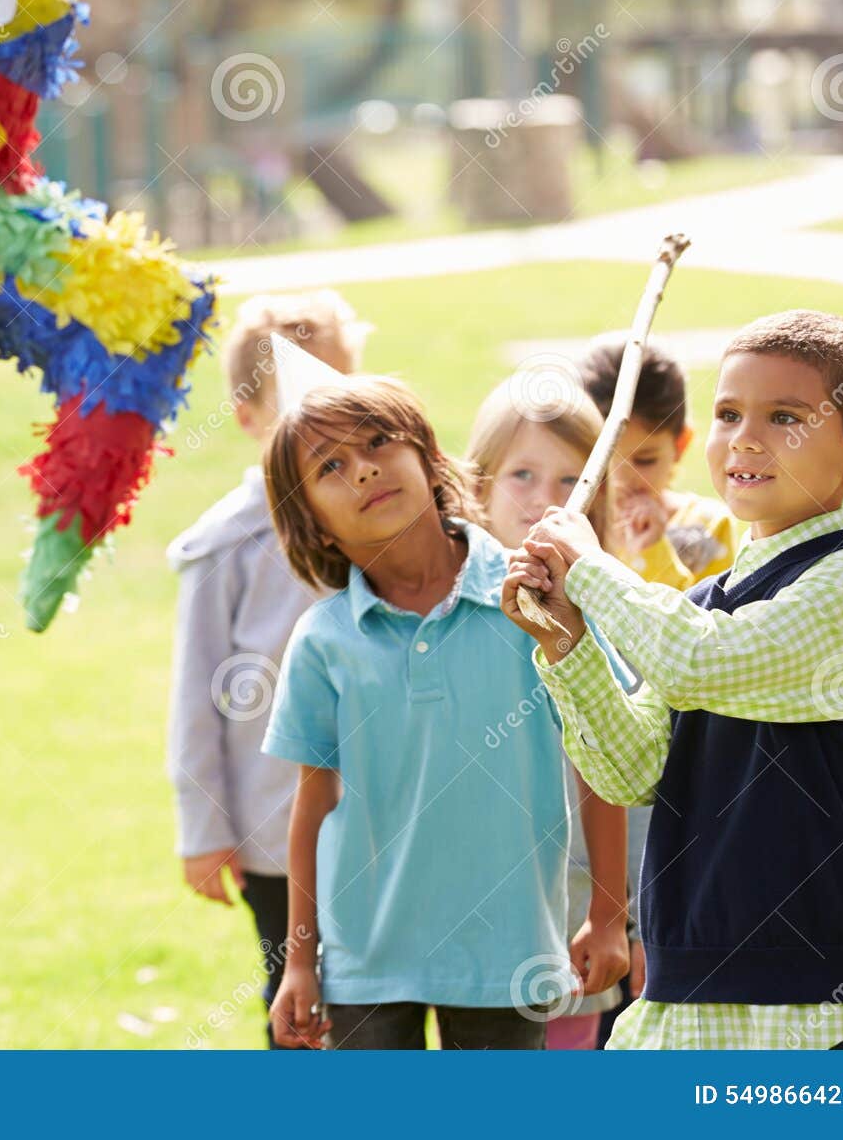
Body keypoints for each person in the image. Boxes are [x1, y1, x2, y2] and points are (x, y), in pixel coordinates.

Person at [505, 309, 843, 1049]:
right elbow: (630, 769)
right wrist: (567, 643)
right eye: (728, 413)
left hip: (817, 996)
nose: (745, 439)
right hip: (685, 982)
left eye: (784, 417)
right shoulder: (704, 601)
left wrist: (591, 566)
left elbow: (700, 661)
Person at [263, 375, 628, 1049]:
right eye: (331, 466)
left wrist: (608, 914)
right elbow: (312, 807)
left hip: (508, 956)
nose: (364, 467)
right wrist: (298, 962)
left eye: (377, 442)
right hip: (363, 967)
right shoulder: (322, 641)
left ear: (431, 459)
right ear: (310, 516)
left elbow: (596, 758)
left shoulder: (534, 599)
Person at [164, 290, 367, 1047]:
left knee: (378, 994)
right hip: (275, 823)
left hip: (386, 814)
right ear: (250, 418)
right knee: (298, 994)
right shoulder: (225, 545)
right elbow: (195, 696)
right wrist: (203, 826)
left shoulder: (386, 518)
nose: (327, 432)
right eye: (301, 408)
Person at [464, 369, 637, 1050]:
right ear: (479, 488)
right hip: (459, 914)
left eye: (571, 481)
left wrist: (614, 911)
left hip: (564, 913)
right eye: (523, 475)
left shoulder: (608, 617)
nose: (546, 500)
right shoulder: (445, 612)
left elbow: (615, 773)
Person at [579, 332, 735, 590]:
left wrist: (653, 552)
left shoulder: (707, 529)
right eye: (603, 459)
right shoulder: (568, 526)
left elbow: (695, 624)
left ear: (679, 446)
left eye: (645, 460)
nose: (621, 480)